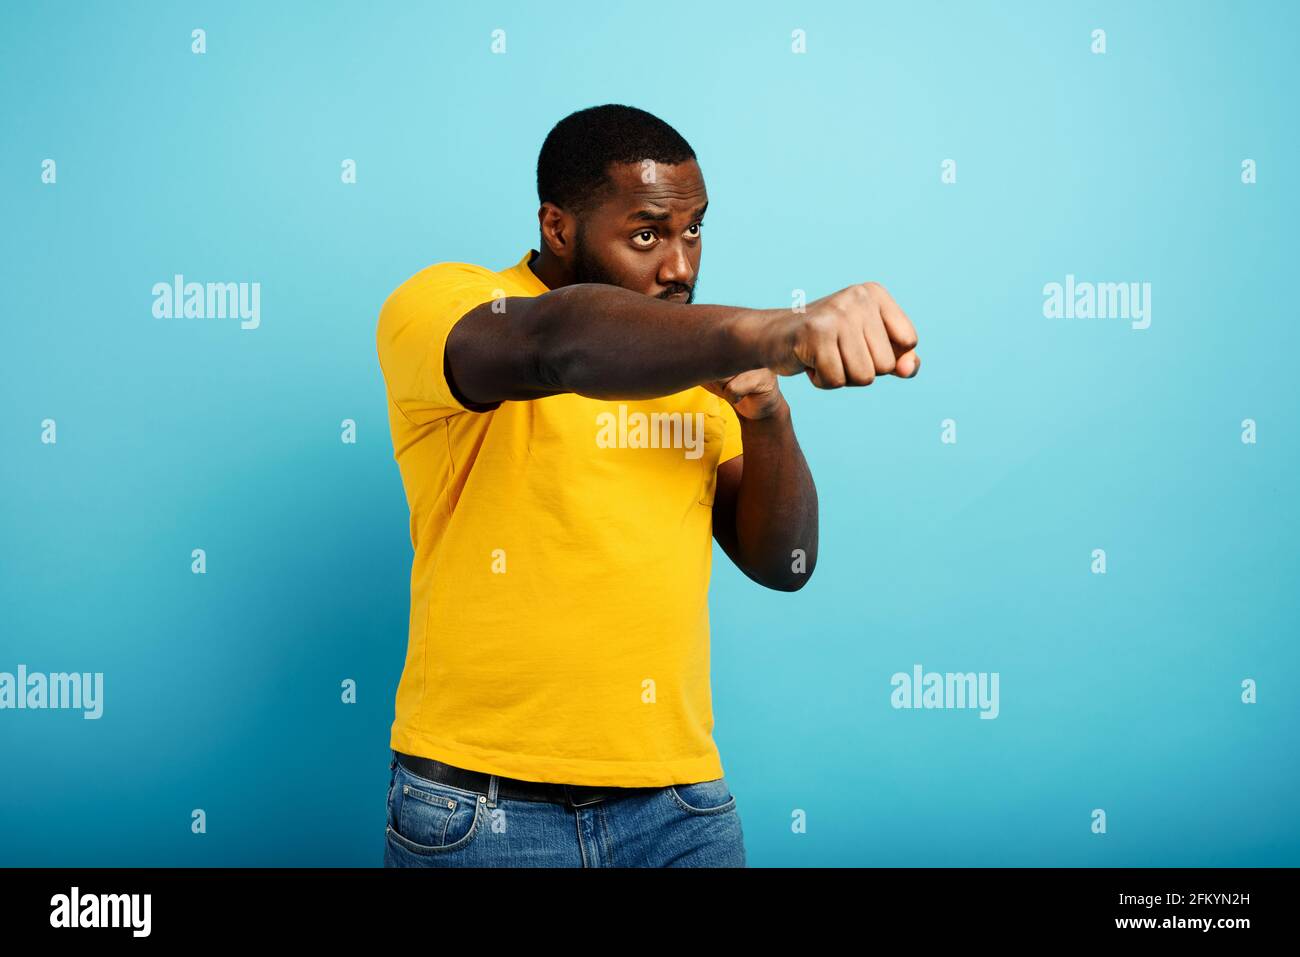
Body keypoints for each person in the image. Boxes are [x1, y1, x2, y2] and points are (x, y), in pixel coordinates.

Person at [375, 104, 920, 867]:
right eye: (647, 234)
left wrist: (766, 412)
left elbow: (782, 565)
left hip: (679, 807)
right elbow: (555, 342)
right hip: (483, 810)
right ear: (558, 228)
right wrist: (770, 328)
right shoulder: (447, 304)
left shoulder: (694, 355)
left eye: (693, 230)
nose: (681, 268)